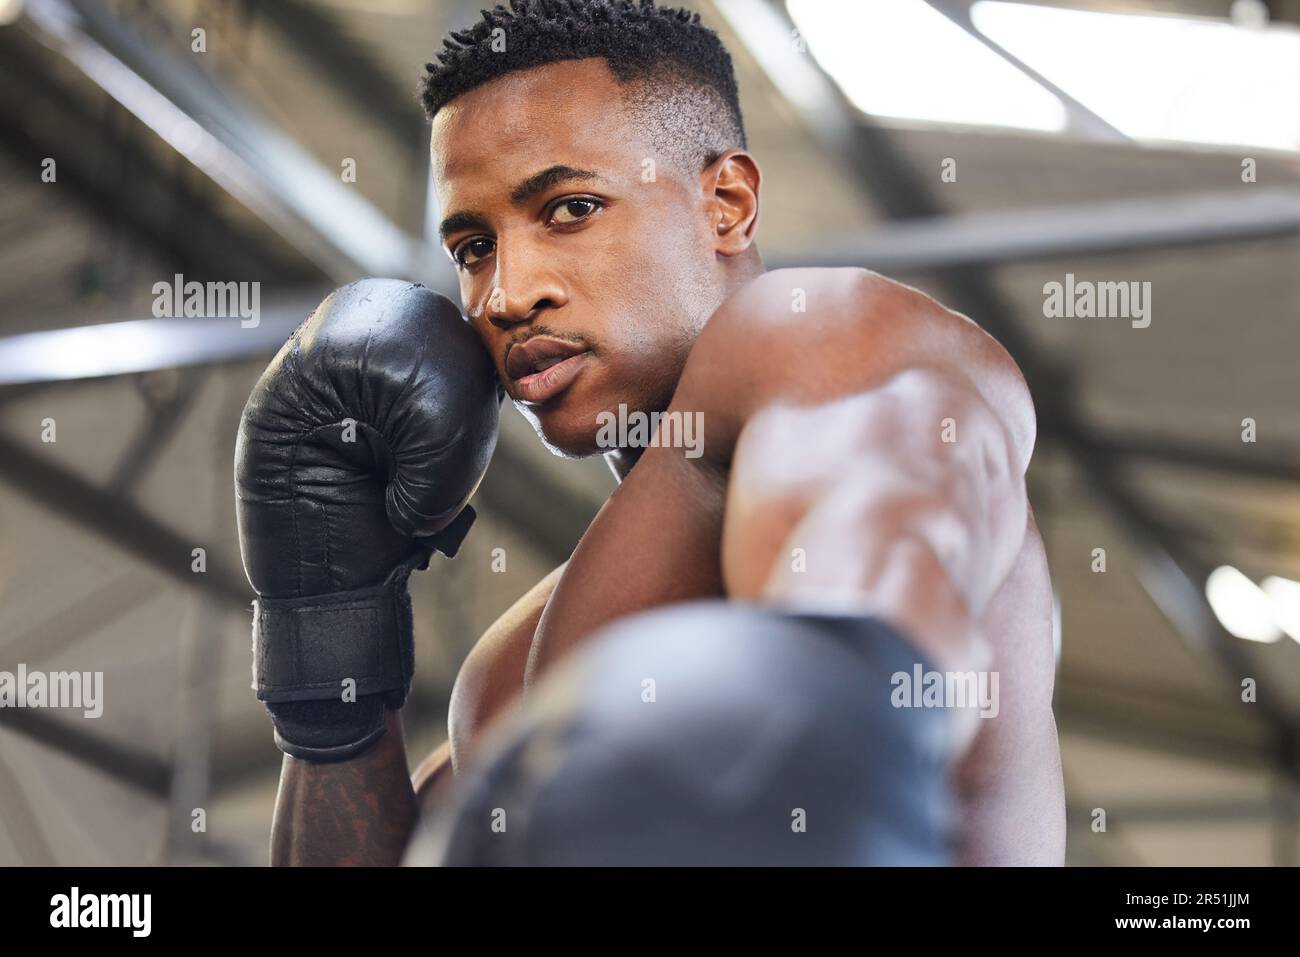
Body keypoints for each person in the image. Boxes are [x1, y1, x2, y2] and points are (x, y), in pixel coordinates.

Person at [236, 0, 1063, 866]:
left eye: (570, 208)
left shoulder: (820, 334)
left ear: (727, 203)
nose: (507, 295)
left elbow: (892, 477)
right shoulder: (509, 676)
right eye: (475, 246)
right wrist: (329, 651)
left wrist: (841, 680)